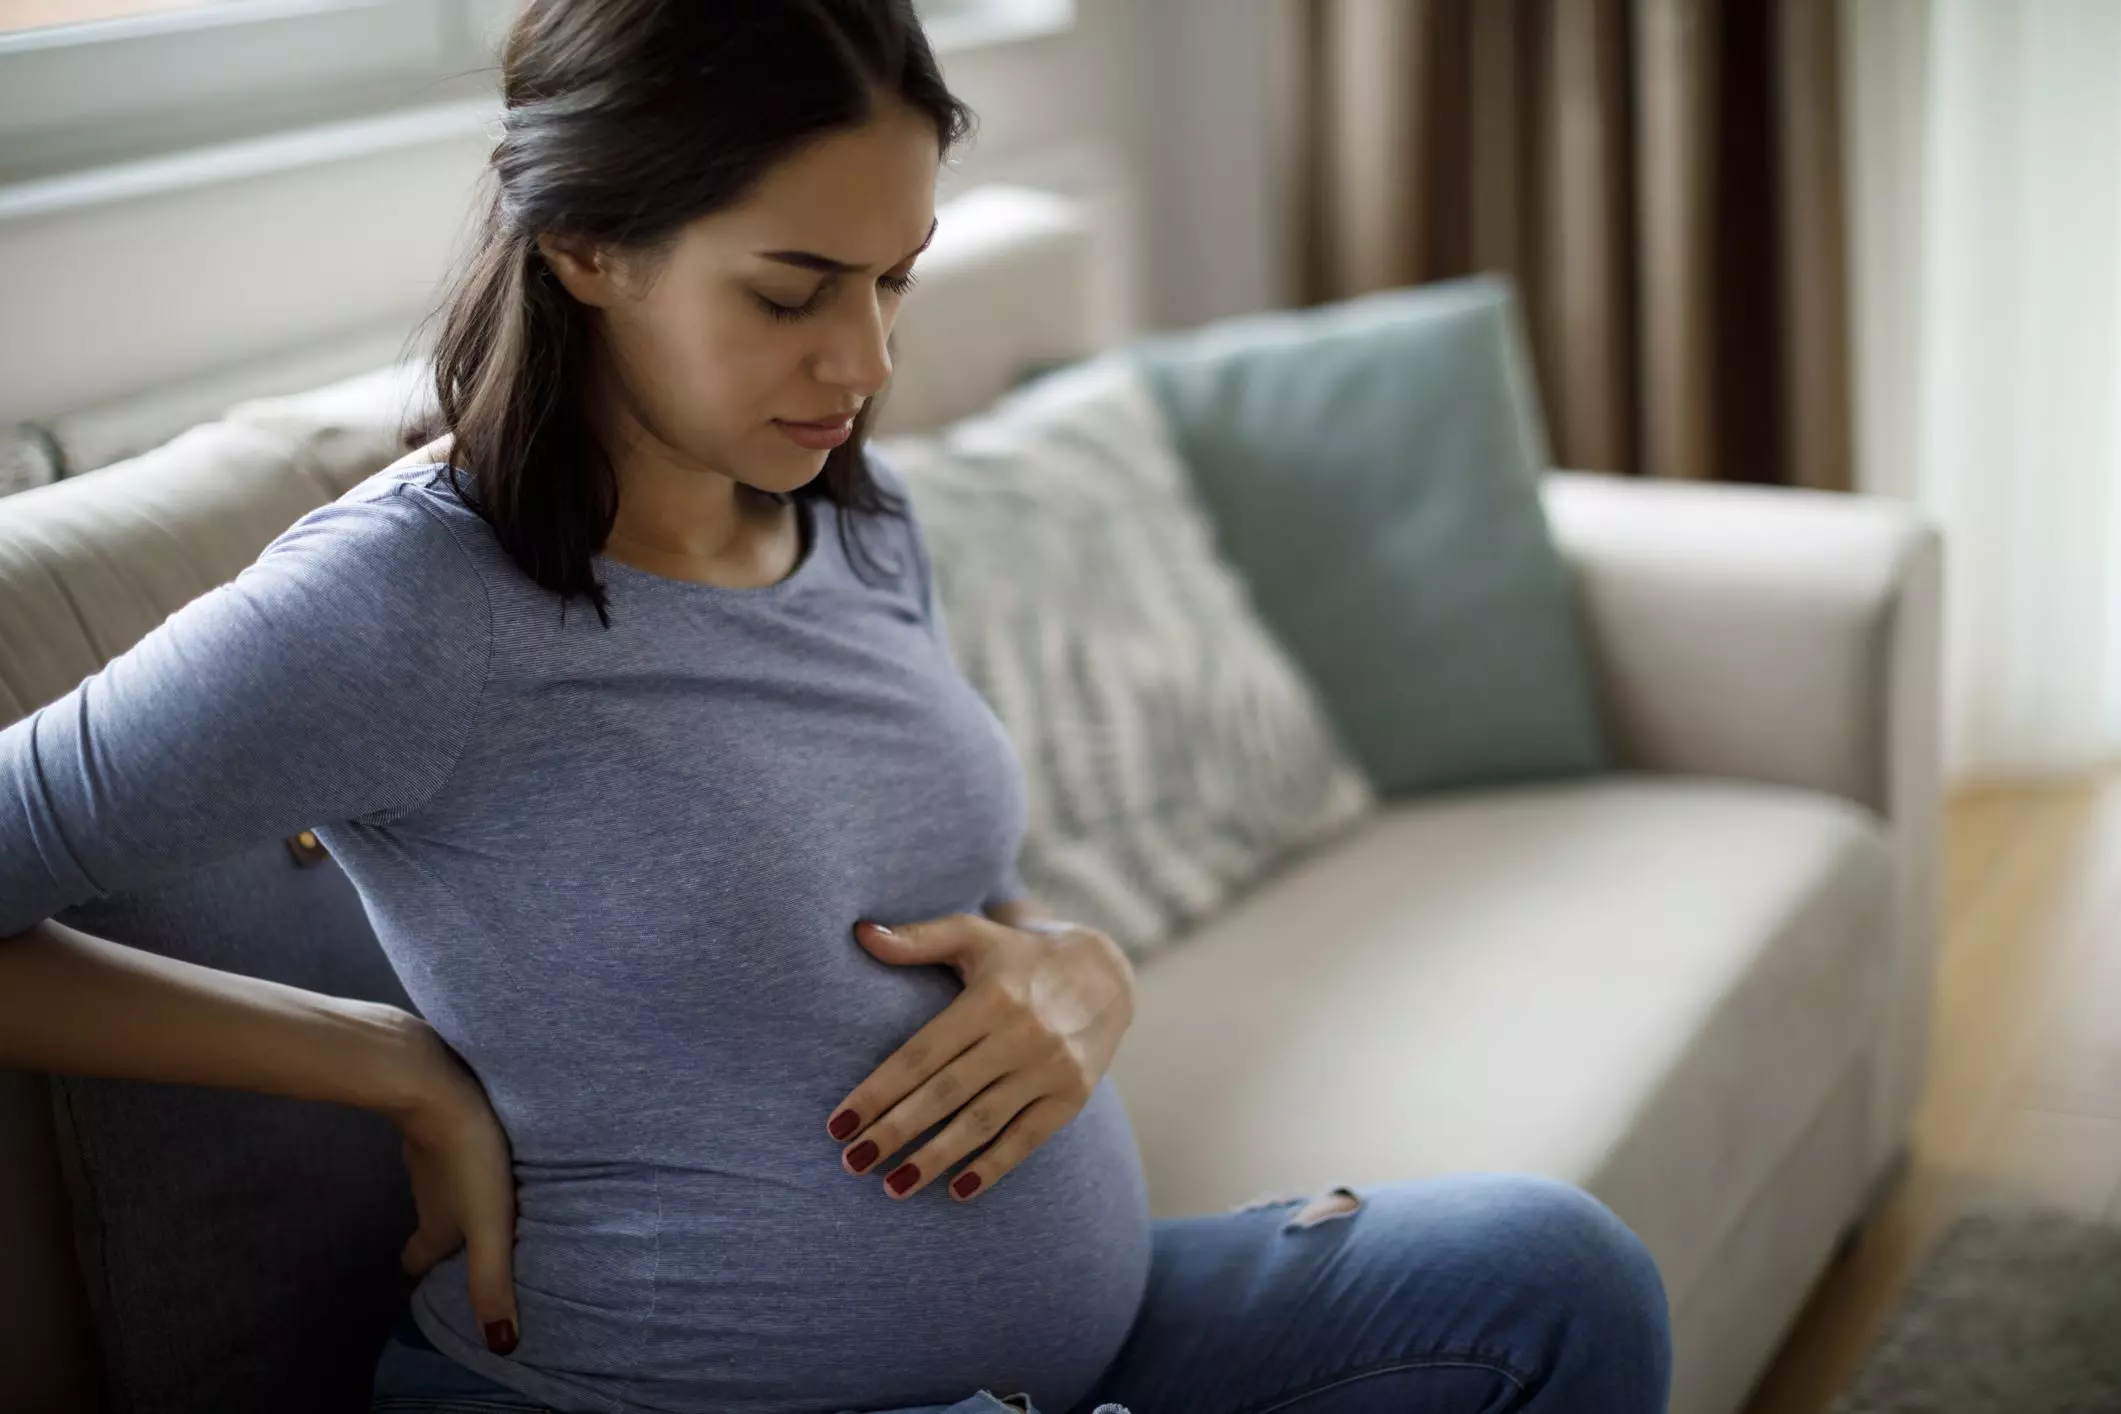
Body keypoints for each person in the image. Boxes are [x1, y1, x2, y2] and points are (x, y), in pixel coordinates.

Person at [0, 3, 1673, 1412]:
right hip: (639, 1384)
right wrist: (394, 1066)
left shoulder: (854, 518)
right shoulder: (403, 604)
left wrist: (1070, 968)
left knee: (1554, 1280)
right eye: (793, 293)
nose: (865, 361)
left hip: (1067, 1342)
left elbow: (944, 891)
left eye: (897, 282)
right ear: (585, 244)